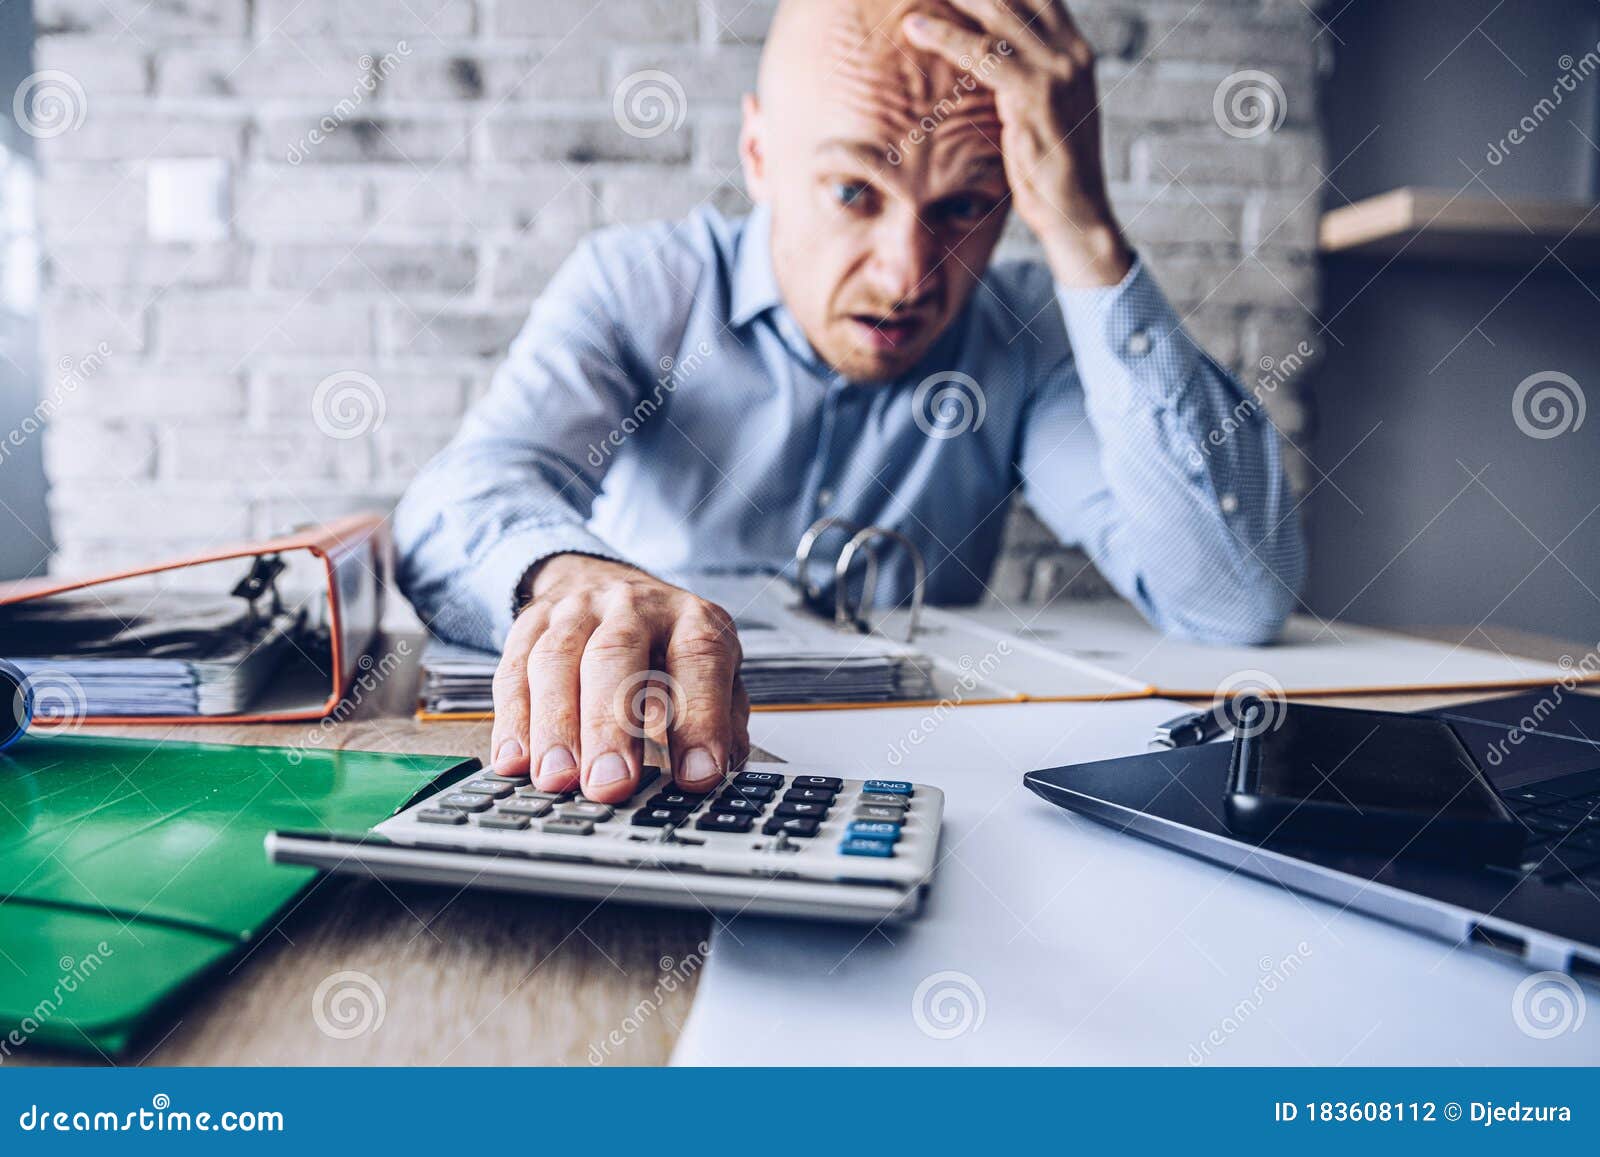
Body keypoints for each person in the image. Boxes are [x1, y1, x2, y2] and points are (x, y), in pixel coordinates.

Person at [394, 0, 1306, 804]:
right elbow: (456, 503)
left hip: (928, 793)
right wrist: (576, 583)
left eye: (964, 207)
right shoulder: (643, 288)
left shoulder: (1026, 333)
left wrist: (1088, 230)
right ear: (759, 154)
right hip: (643, 770)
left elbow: (1230, 600)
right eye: (853, 191)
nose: (908, 276)